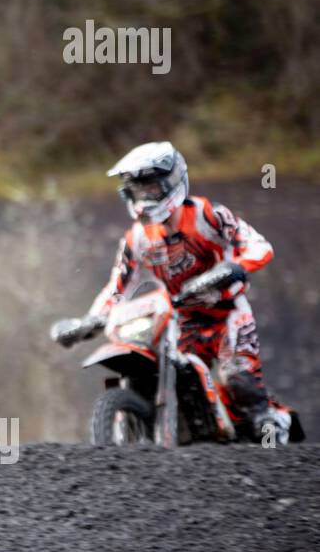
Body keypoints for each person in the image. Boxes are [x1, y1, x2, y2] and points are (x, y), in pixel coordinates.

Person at [53, 141, 294, 442]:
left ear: (172, 182)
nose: (145, 196)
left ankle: (272, 426)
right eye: (138, 190)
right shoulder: (137, 239)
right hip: (180, 323)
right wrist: (87, 321)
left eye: (151, 188)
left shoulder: (208, 215)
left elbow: (259, 245)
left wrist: (234, 267)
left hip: (225, 315)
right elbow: (117, 288)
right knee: (172, 379)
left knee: (239, 382)